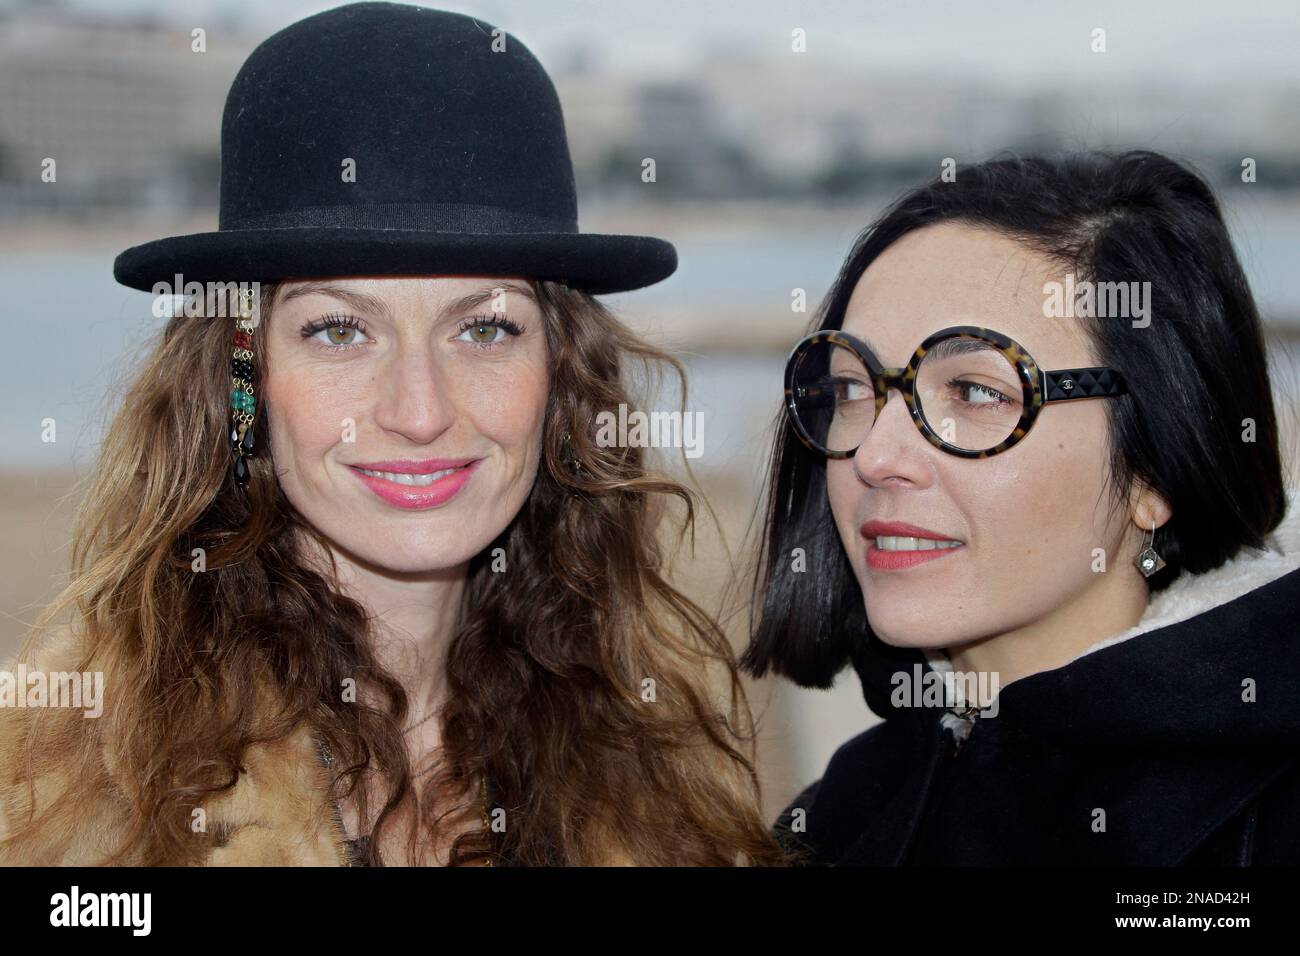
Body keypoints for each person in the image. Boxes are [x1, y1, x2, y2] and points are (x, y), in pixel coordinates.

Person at [0, 2, 784, 867]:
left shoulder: (660, 760)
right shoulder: (56, 790)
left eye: (484, 329)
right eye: (340, 330)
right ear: (242, 377)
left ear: (562, 376)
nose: (419, 411)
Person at [744, 150, 1300, 865]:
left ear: (1157, 467)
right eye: (853, 390)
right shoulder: (840, 816)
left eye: (977, 393)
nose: (876, 457)